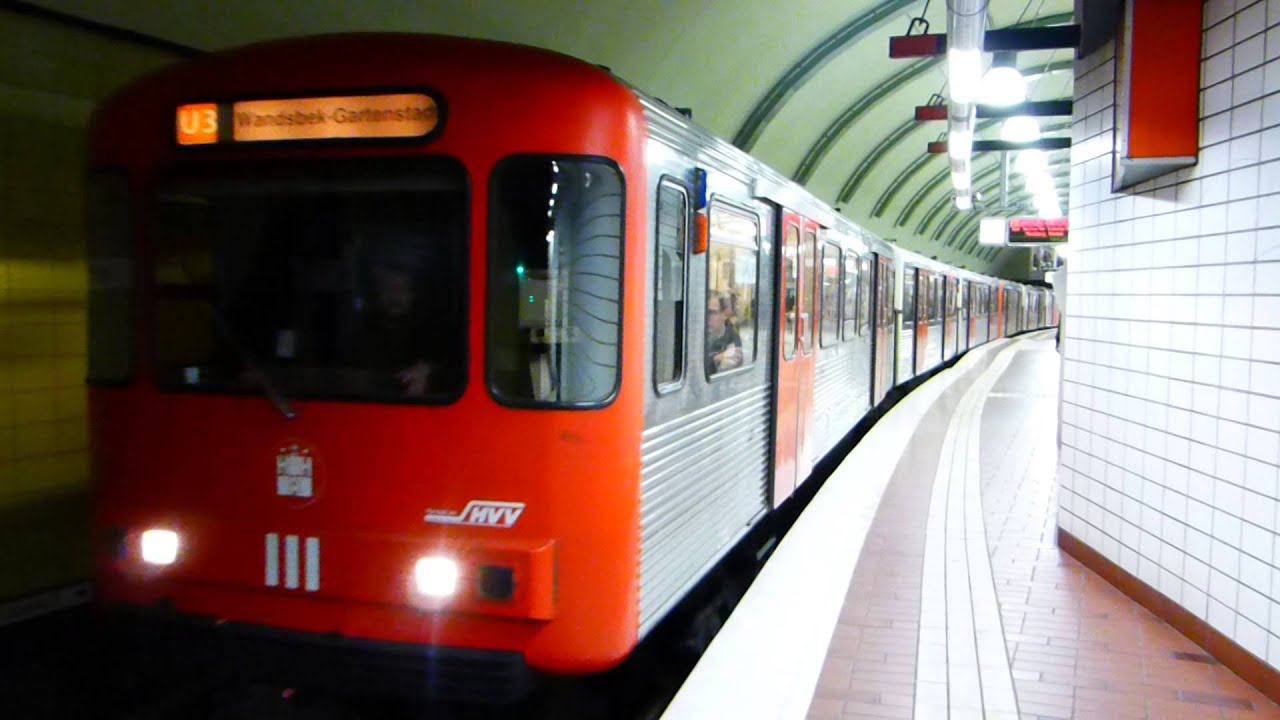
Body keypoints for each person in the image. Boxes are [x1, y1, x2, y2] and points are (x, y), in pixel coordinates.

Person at [706, 293, 743, 373]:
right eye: (706, 312)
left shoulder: (732, 340)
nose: (707, 317)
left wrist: (713, 361)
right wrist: (716, 358)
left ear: (725, 314)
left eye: (713, 313)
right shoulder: (699, 335)